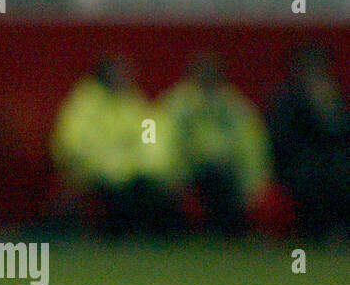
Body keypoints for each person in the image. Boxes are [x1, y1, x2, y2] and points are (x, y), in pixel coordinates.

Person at [50, 55, 181, 238]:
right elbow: (72, 142)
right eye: (120, 73)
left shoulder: (133, 101)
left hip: (133, 173)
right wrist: (102, 166)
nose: (126, 77)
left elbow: (150, 133)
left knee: (154, 192)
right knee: (122, 196)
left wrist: (154, 166)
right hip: (98, 173)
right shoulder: (85, 103)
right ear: (104, 76)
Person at [158, 54, 271, 236]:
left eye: (212, 75)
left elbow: (251, 145)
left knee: (221, 181)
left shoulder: (234, 106)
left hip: (226, 171)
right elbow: (165, 141)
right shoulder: (178, 104)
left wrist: (253, 185)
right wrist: (169, 175)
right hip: (188, 170)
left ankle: (227, 234)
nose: (207, 79)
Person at [266, 44, 350, 241]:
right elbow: (284, 140)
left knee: (341, 173)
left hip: (333, 163)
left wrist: (329, 111)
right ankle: (318, 232)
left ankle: (340, 229)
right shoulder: (286, 100)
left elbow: (342, 136)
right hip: (299, 166)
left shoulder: (335, 98)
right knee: (314, 177)